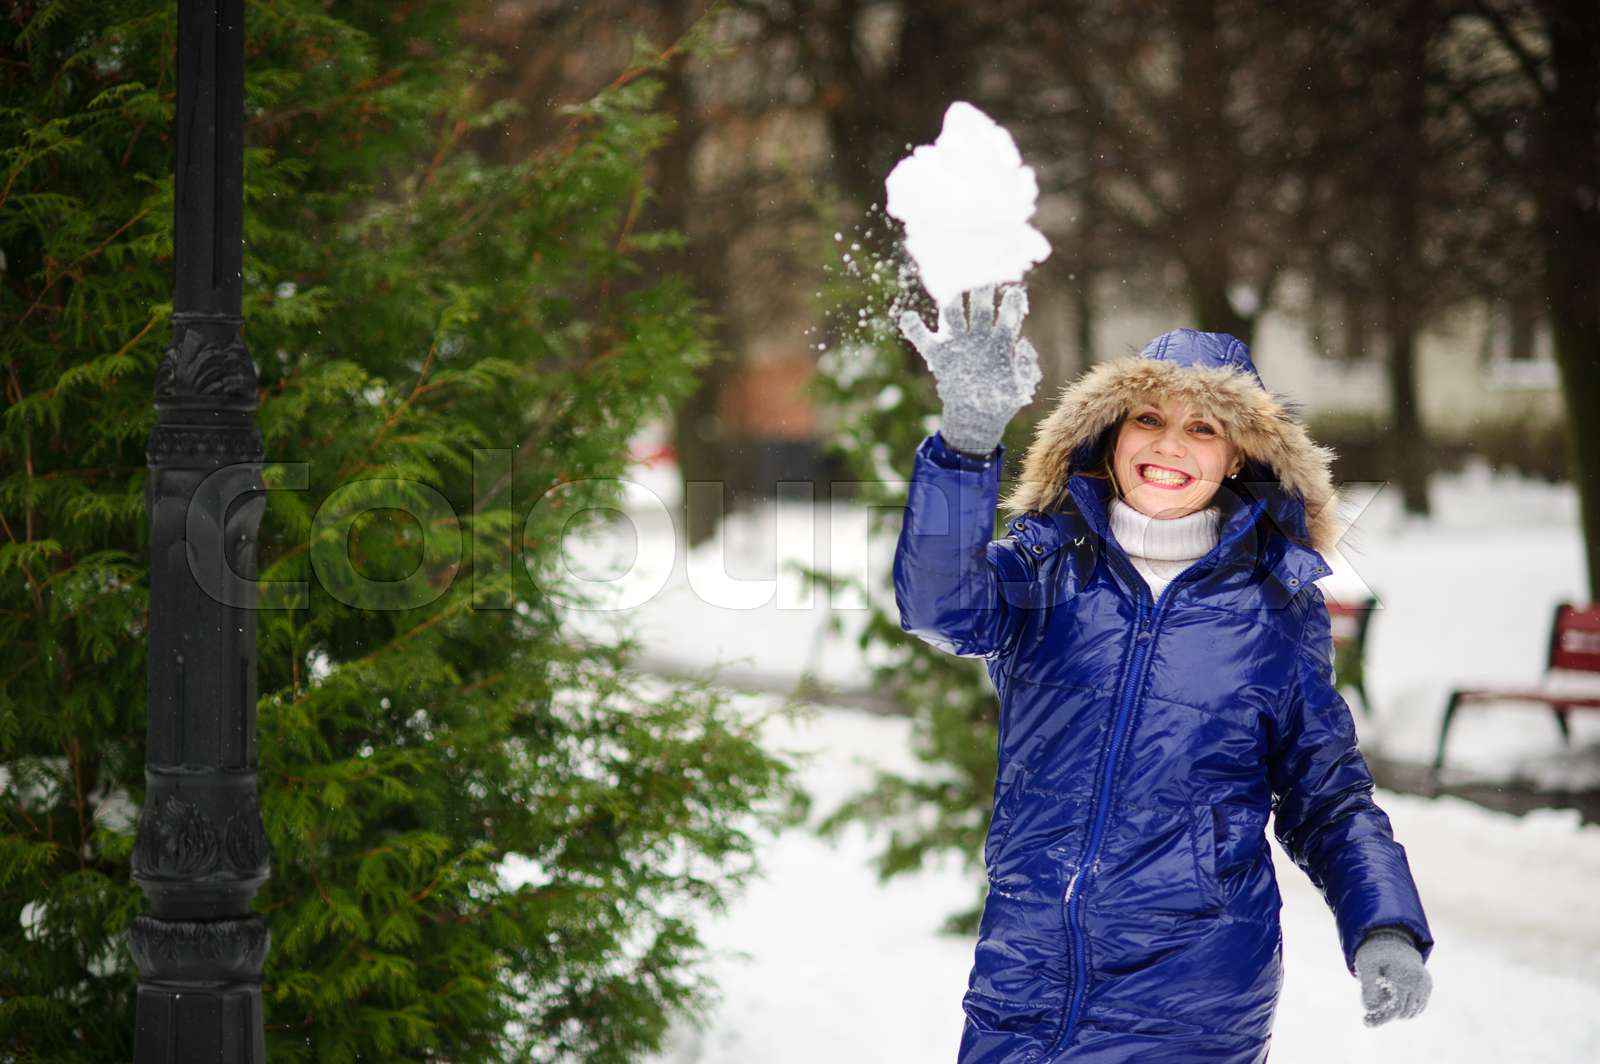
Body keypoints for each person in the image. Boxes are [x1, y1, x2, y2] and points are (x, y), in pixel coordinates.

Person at [893, 284, 1434, 1063]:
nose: (1169, 445)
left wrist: (1384, 922)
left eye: (1203, 428)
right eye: (1148, 418)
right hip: (1028, 974)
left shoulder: (1275, 611)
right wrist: (967, 446)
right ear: (1110, 436)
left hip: (1195, 996)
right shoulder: (1048, 566)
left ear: (1240, 455)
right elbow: (940, 608)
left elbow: (1326, 793)